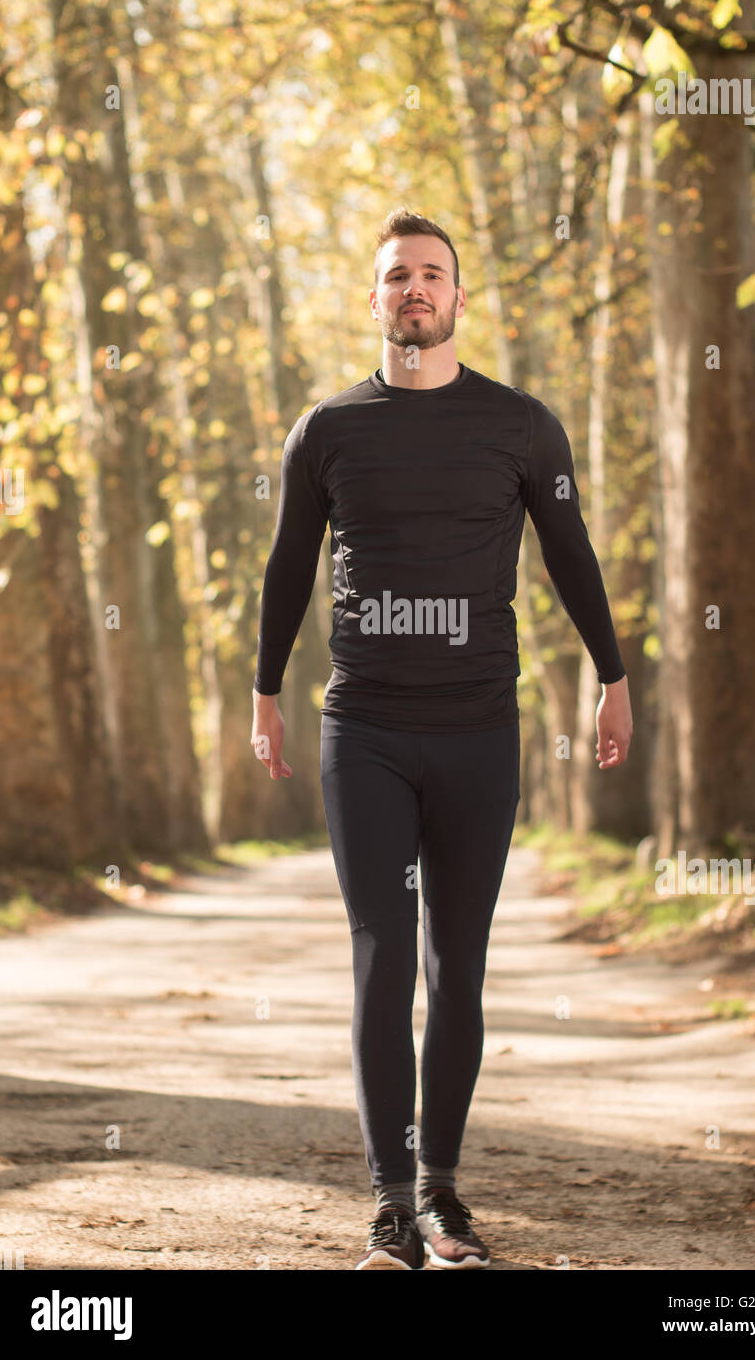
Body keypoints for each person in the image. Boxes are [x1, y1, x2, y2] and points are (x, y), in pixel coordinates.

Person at [251, 208, 633, 1270]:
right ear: (371, 300)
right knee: (382, 962)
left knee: (453, 968)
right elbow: (288, 566)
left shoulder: (520, 427)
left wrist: (612, 674)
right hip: (361, 728)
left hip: (477, 732)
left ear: (458, 299)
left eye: (430, 276)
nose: (413, 291)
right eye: (395, 277)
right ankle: (386, 1203)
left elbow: (569, 553)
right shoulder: (325, 431)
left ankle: (442, 1194)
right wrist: (263, 691)